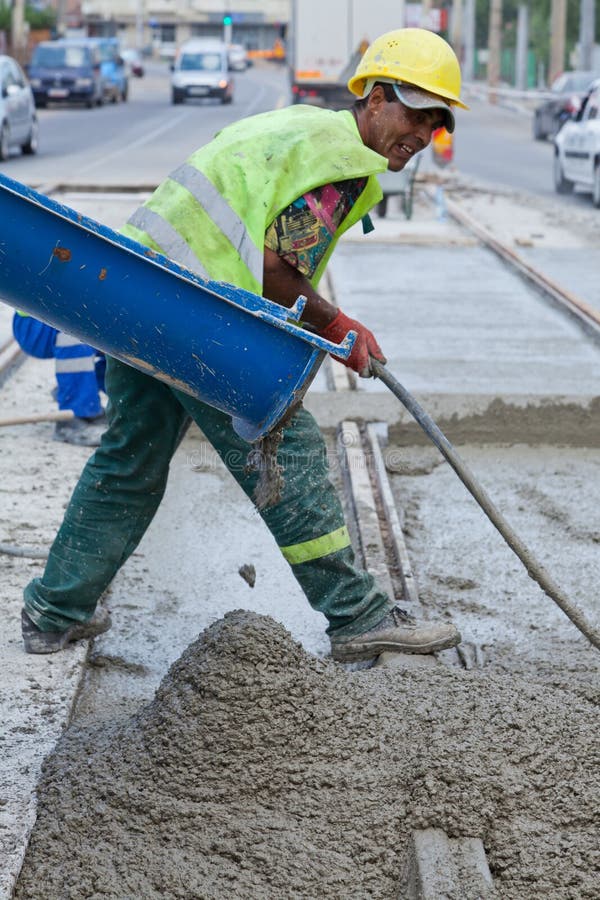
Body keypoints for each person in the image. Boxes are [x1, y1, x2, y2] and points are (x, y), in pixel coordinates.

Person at [21, 28, 467, 660]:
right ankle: (357, 616)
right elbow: (275, 269)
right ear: (373, 98)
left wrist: (324, 322)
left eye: (437, 124)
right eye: (415, 115)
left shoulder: (304, 129)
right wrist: (337, 325)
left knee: (131, 458)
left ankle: (53, 610)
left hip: (139, 293)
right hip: (198, 312)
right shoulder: (339, 164)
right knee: (285, 444)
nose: (422, 136)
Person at [12, 311, 107, 446]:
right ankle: (72, 417)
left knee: (124, 341)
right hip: (36, 321)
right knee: (75, 333)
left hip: (84, 311)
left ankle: (78, 390)